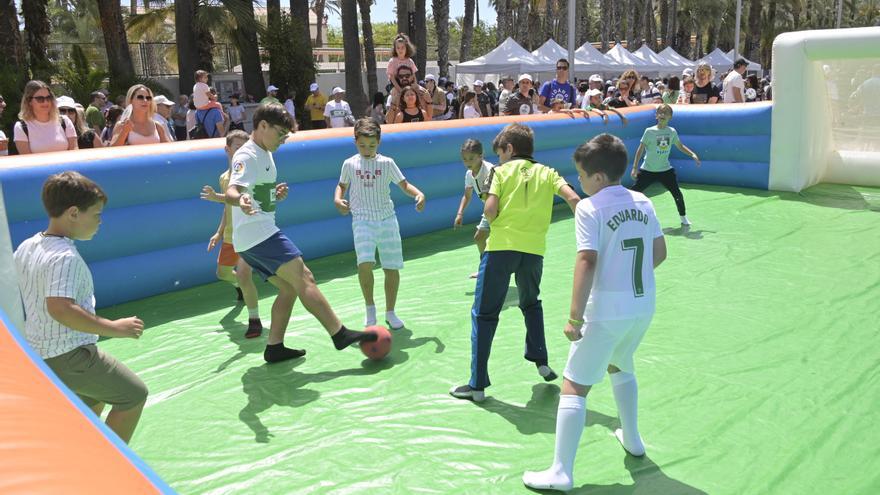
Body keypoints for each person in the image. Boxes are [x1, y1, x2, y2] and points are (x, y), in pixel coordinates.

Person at [521, 133, 667, 492]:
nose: (580, 183)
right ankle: (632, 439)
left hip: (604, 312)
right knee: (622, 364)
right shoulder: (643, 202)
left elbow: (586, 259)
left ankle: (561, 471)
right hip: (641, 306)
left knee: (574, 384)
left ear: (598, 178)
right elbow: (660, 252)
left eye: (582, 176)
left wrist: (574, 318)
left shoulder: (590, 208)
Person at [224, 104, 377, 362]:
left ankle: (274, 347)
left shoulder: (266, 153)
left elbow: (258, 193)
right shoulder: (246, 155)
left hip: (253, 237)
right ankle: (339, 333)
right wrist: (240, 201)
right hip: (257, 234)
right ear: (262, 126)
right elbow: (232, 190)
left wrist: (274, 195)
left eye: (286, 136)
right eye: (281, 133)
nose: (283, 140)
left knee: (289, 289)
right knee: (304, 277)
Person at [14, 171, 149, 443]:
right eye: (96, 215)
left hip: (41, 352)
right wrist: (114, 328)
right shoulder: (64, 257)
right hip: (70, 356)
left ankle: (81, 452)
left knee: (93, 401)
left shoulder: (29, 246)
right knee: (134, 395)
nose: (99, 222)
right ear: (73, 213)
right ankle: (108, 469)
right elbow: (60, 308)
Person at [450, 123, 581, 402]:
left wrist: (496, 222)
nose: (498, 159)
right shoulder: (548, 172)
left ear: (509, 149)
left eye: (500, 154)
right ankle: (541, 360)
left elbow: (490, 209)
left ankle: (477, 386)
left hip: (500, 249)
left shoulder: (499, 172)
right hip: (534, 252)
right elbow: (574, 198)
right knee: (531, 304)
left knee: (484, 314)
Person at [334, 118, 426, 329]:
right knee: (364, 263)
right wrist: (338, 199)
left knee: (391, 267)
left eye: (372, 145)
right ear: (355, 141)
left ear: (379, 142)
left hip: (387, 219)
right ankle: (370, 309)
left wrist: (419, 194)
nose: (367, 149)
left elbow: (404, 185)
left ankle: (391, 311)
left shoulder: (387, 163)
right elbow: (341, 186)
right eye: (362, 145)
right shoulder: (349, 164)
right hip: (362, 220)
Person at [200, 130, 263, 338]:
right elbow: (228, 206)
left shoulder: (250, 173)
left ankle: (255, 320)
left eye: (245, 148)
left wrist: (216, 197)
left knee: (245, 276)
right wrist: (218, 232)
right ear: (227, 150)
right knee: (223, 273)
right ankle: (239, 287)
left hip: (249, 233)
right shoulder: (225, 178)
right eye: (237, 147)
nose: (242, 152)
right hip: (230, 234)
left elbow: (241, 200)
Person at [630, 104, 701, 227]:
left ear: (670, 117)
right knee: (633, 193)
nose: (662, 115)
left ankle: (683, 217)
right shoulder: (649, 131)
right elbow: (640, 150)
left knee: (677, 194)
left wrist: (692, 154)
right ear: (656, 115)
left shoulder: (671, 131)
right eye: (660, 113)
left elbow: (680, 146)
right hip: (648, 170)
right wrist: (635, 168)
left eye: (666, 113)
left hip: (665, 170)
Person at [454, 138, 494, 278]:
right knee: (479, 238)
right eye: (465, 159)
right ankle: (485, 269)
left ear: (481, 156)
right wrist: (460, 213)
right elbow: (467, 195)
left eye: (471, 158)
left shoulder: (490, 170)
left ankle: (494, 270)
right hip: (489, 210)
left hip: (500, 209)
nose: (468, 162)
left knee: (499, 240)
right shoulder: (469, 175)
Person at [14, 80, 78, 154]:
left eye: (48, 98)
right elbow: (27, 161)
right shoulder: (21, 127)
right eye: (40, 99)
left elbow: (75, 153)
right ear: (29, 101)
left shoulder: (65, 121)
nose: (46, 102)